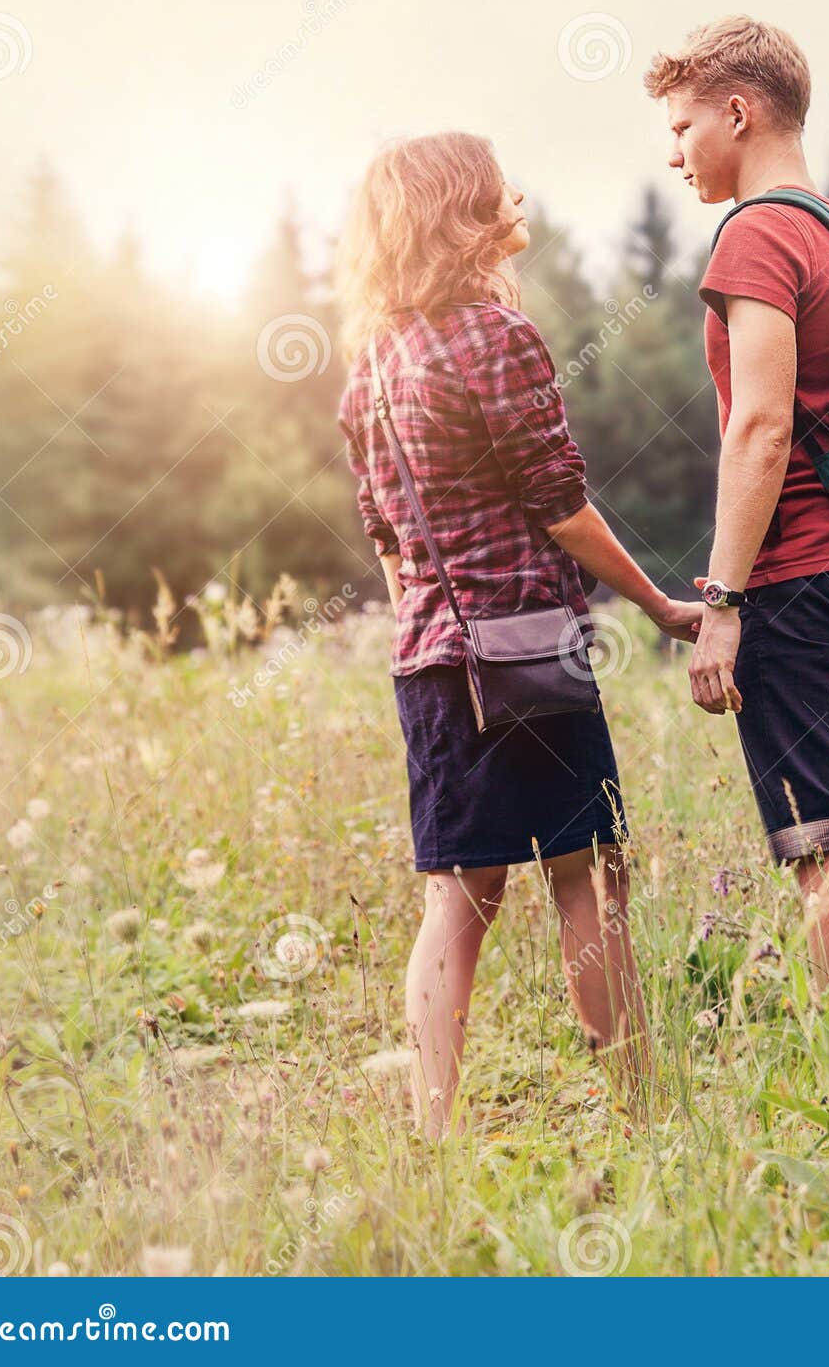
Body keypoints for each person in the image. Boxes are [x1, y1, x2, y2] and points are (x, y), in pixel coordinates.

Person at [334, 130, 703, 1138]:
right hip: (526, 645)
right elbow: (561, 506)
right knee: (587, 869)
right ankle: (639, 1114)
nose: (517, 195)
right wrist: (666, 608)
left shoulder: (371, 363)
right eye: (499, 186)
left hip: (429, 661)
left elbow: (391, 546)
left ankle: (432, 1131)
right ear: (463, 210)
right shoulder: (495, 338)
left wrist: (439, 613)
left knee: (458, 893)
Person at [643, 16, 829, 1095]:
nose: (673, 151)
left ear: (738, 111)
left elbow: (759, 427)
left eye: (681, 126)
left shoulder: (756, 237)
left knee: (823, 850)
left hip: (801, 579)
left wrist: (722, 596)